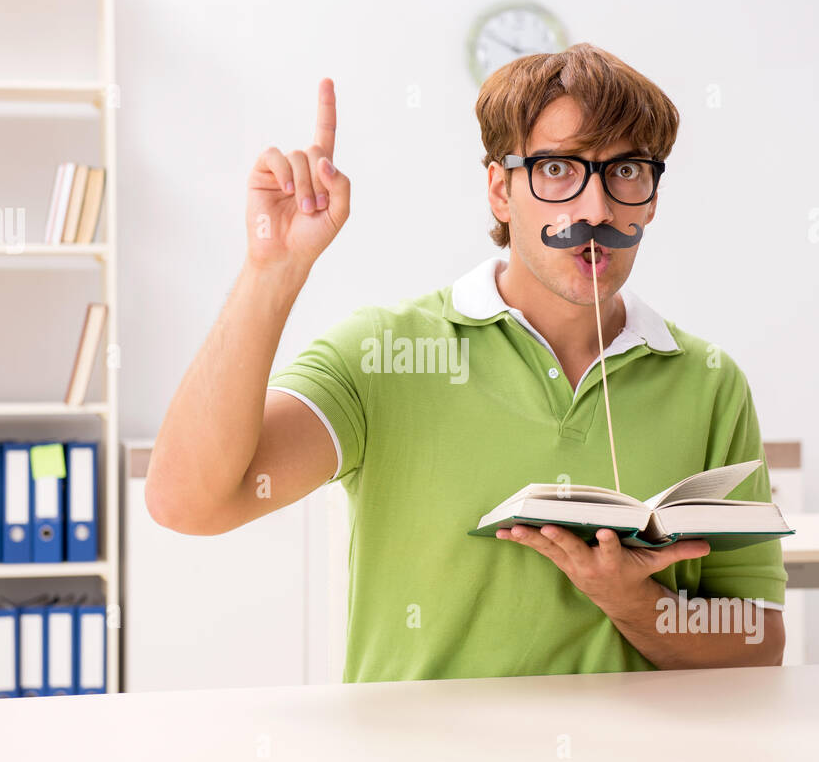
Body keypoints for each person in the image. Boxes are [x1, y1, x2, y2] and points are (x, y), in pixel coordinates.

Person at [147, 42, 786, 683]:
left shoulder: (710, 381)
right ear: (500, 191)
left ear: (650, 198)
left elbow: (759, 645)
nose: (596, 211)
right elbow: (187, 503)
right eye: (559, 169)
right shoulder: (384, 353)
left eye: (625, 172)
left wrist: (631, 600)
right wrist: (273, 270)